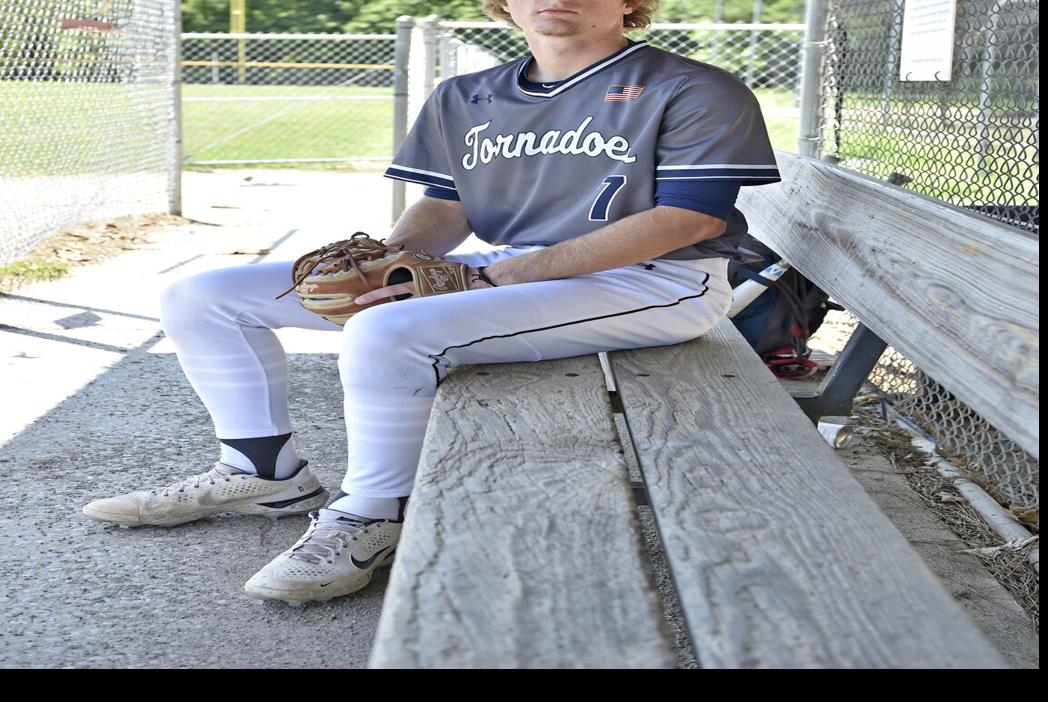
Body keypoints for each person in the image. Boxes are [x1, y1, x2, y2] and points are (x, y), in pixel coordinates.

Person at [82, 0, 781, 604]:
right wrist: (387, 261)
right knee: (202, 296)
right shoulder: (467, 95)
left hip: (658, 282)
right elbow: (447, 208)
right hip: (517, 269)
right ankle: (263, 471)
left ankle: (372, 513)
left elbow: (689, 220)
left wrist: (493, 279)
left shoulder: (694, 88)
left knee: (388, 333)